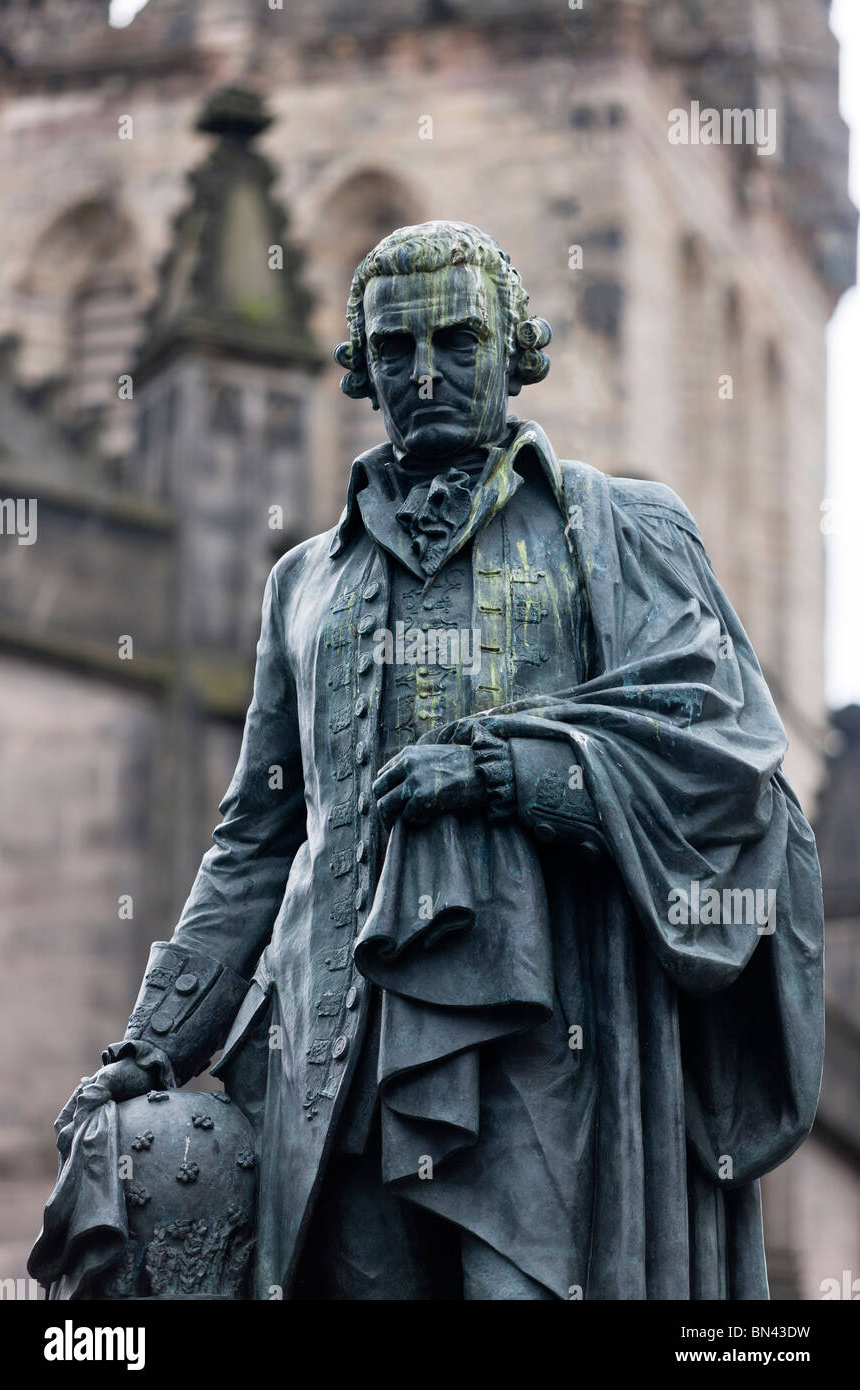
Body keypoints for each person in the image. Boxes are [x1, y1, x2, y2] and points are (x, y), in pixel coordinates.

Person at [45, 221, 824, 1300]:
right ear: (360, 369)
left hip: (547, 1034)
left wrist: (513, 776)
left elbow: (717, 746)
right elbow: (260, 836)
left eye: (457, 343)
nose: (425, 374)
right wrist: (159, 1038)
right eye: (395, 350)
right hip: (336, 1039)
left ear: (514, 349)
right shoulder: (301, 584)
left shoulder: (620, 530)